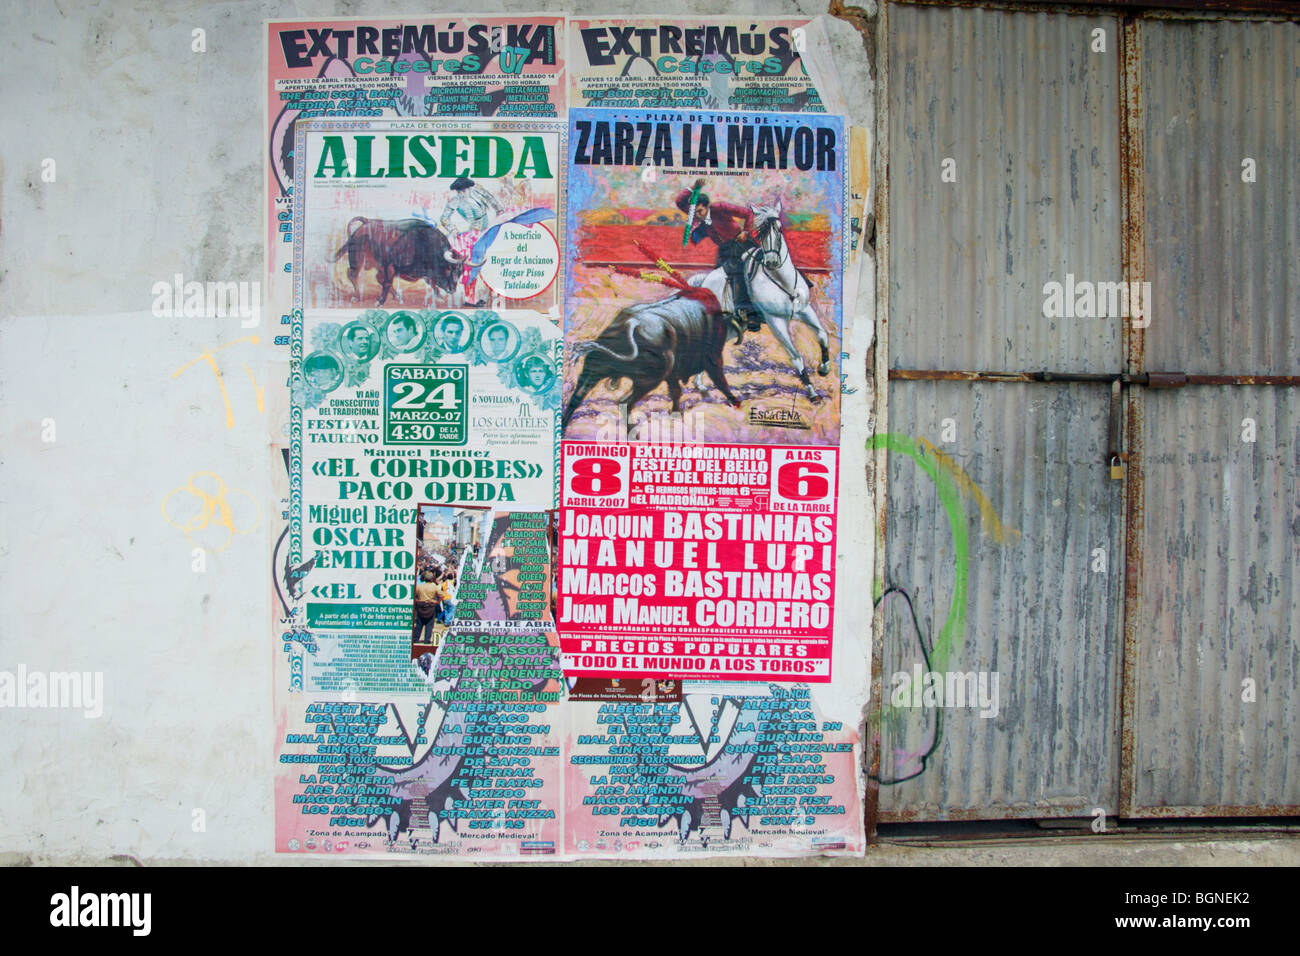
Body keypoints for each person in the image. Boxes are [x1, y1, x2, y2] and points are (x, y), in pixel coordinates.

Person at [676, 179, 761, 331]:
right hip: (725, 250)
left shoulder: (719, 208)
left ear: (706, 206)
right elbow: (680, 201)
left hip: (741, 244)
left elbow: (748, 213)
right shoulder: (697, 215)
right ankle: (726, 314)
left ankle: (750, 314)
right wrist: (694, 188)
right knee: (717, 279)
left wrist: (746, 231)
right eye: (695, 214)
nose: (698, 216)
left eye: (700, 211)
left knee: (738, 272)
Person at [439, 177, 501, 302]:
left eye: (463, 190)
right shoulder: (455, 200)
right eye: (458, 191)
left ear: (468, 188)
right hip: (470, 234)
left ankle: (490, 293)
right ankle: (470, 298)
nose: (461, 193)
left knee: (490, 261)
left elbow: (492, 200)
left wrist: (499, 210)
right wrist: (453, 230)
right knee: (470, 265)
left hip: (485, 230)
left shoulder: (478, 191)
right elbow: (444, 218)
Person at [413, 569, 442, 646]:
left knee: (419, 624)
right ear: (432, 578)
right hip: (430, 606)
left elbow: (413, 596)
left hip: (420, 606)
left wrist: (417, 601)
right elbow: (441, 595)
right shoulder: (434, 586)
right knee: (429, 624)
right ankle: (427, 640)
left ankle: (416, 639)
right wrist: (437, 602)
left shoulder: (419, 586)